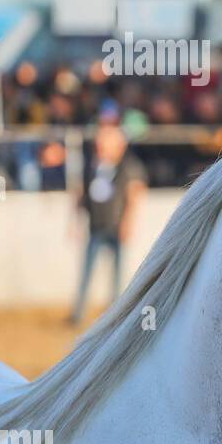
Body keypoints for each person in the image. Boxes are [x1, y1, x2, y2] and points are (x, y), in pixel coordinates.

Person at [70, 122, 147, 324]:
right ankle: (78, 314)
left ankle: (115, 316)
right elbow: (80, 193)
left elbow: (135, 195)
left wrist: (128, 222)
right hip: (96, 225)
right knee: (87, 272)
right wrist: (76, 221)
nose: (101, 145)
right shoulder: (91, 165)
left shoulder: (129, 166)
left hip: (115, 226)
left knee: (117, 275)